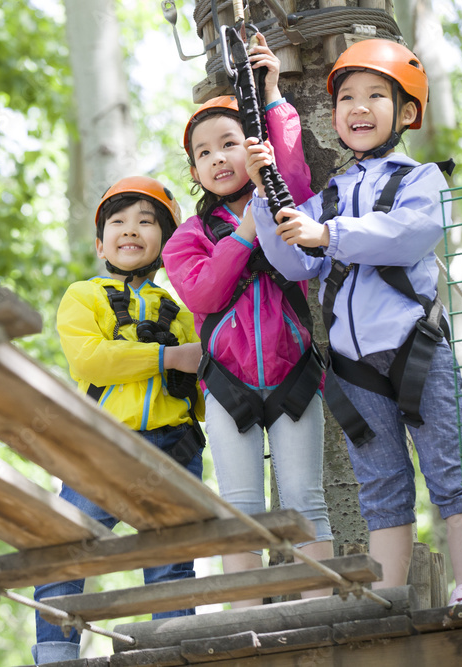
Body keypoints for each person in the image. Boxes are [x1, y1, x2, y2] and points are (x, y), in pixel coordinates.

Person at [245, 38, 462, 605]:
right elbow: (294, 258)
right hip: (354, 369)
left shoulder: (421, 180)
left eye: (376, 95)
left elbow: (410, 236)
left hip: (416, 351)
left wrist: (330, 234)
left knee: (450, 473)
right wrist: (265, 198)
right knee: (381, 487)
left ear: (406, 113)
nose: (358, 107)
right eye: (347, 97)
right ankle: (391, 599)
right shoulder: (330, 194)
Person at [162, 33, 334, 608]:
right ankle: (244, 615)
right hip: (229, 385)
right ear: (194, 170)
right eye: (204, 152)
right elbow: (205, 294)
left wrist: (273, 97)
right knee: (240, 504)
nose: (217, 158)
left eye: (230, 144)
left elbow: (292, 177)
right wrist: (242, 236)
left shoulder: (282, 203)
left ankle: (321, 607)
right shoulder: (188, 238)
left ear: (251, 149)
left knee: (305, 499)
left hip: (293, 377)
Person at [31, 176, 206, 664]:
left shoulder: (184, 312)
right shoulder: (83, 296)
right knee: (68, 544)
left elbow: (207, 381)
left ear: (167, 243)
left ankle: (170, 650)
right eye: (118, 222)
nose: (131, 230)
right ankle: (55, 653)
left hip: (175, 444)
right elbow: (91, 360)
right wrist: (167, 358)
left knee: (171, 560)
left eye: (146, 222)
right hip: (101, 442)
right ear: (99, 242)